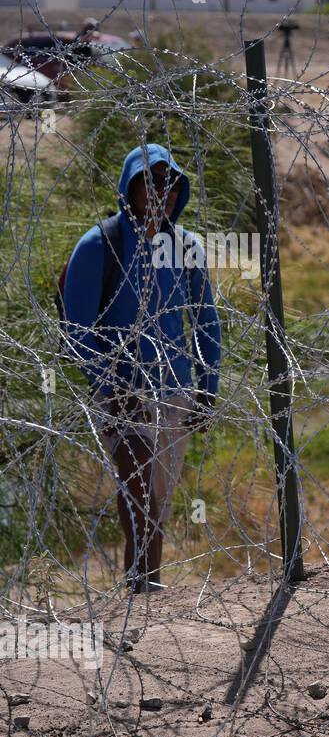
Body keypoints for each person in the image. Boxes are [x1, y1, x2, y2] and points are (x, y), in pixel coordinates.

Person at [63, 145, 222, 595]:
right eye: (151, 181)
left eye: (171, 183)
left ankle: (145, 586)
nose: (163, 192)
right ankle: (143, 589)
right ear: (129, 186)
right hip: (123, 394)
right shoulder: (100, 245)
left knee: (160, 498)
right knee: (139, 491)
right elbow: (76, 330)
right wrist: (112, 385)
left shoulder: (185, 247)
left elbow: (205, 321)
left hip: (174, 390)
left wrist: (208, 388)